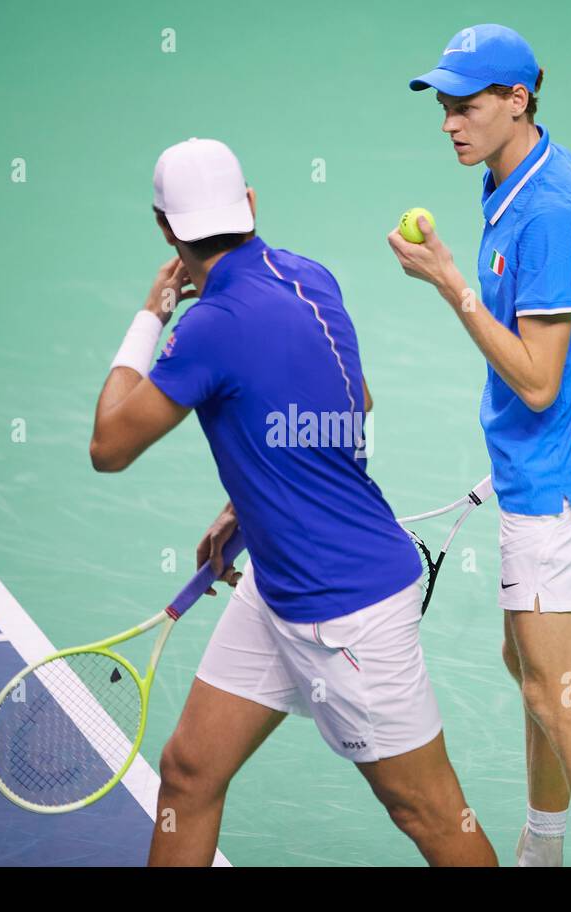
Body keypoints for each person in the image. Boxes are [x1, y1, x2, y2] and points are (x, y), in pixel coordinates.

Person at [89, 137, 497, 866]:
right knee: (187, 775)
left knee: (432, 814)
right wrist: (250, 505)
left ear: (166, 230)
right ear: (250, 205)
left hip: (347, 609)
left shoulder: (205, 328)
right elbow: (352, 406)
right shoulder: (312, 278)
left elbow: (109, 447)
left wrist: (151, 314)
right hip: (279, 588)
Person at [387, 24, 571, 867]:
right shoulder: (521, 176)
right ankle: (544, 845)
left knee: (560, 690)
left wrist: (450, 285)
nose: (449, 122)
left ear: (516, 102)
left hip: (560, 485)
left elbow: (537, 380)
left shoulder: (549, 205)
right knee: (530, 665)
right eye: (445, 107)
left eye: (466, 106)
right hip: (556, 465)